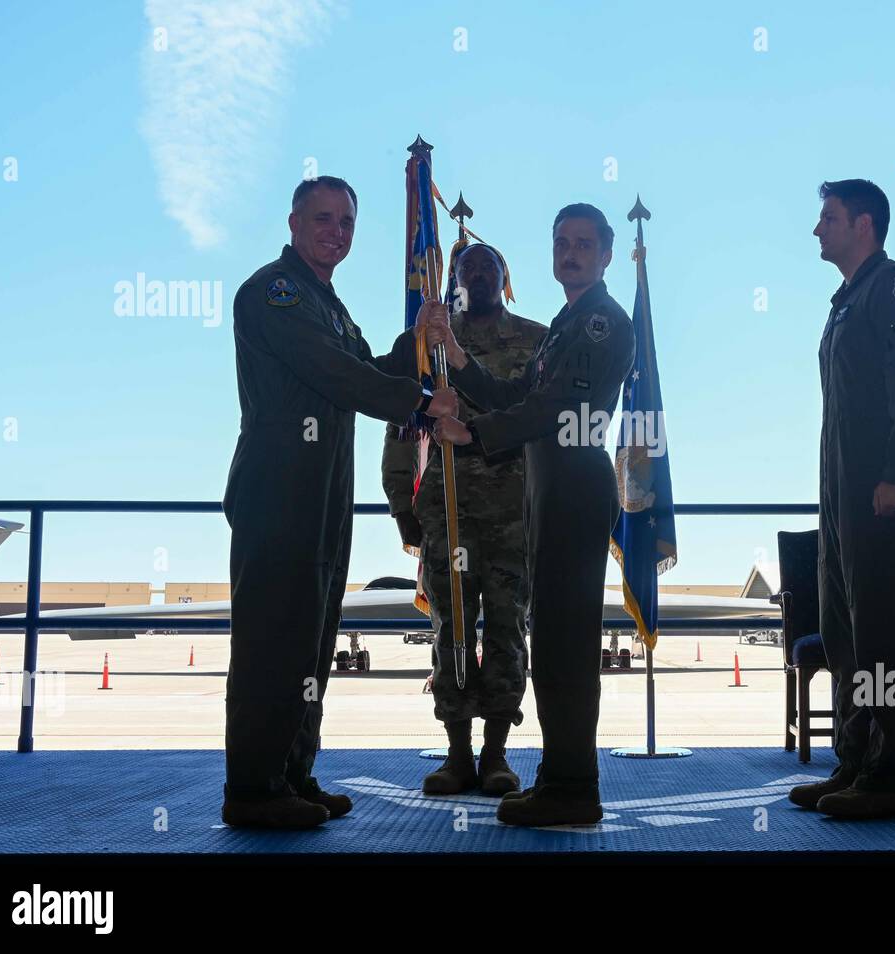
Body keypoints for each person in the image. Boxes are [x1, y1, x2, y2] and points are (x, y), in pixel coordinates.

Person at [222, 175, 457, 828]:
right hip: (278, 492)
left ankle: (292, 775)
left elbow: (369, 369)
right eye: (323, 218)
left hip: (323, 493)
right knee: (274, 642)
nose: (336, 231)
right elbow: (334, 373)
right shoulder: (276, 292)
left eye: (347, 221)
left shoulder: (328, 303)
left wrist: (418, 343)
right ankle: (252, 790)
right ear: (294, 222)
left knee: (311, 640)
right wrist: (420, 403)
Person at [422, 204, 633, 827]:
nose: (571, 253)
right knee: (555, 645)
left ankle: (573, 786)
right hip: (550, 488)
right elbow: (523, 396)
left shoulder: (598, 321)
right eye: (561, 242)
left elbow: (558, 406)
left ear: (606, 255)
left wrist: (475, 435)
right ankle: (560, 777)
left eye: (584, 244)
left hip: (572, 485)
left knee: (566, 648)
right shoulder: (567, 323)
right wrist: (459, 361)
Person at [788, 179, 895, 820]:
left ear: (864, 224)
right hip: (842, 495)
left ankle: (889, 776)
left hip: (884, 494)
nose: (817, 228)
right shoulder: (846, 302)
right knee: (846, 632)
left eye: (828, 217)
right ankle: (854, 761)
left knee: (885, 637)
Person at [380, 243, 546, 796]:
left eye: (489, 265)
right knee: (449, 633)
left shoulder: (534, 339)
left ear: (505, 276)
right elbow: (400, 422)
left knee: (506, 632)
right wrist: (404, 506)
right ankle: (456, 753)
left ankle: (496, 754)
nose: (477, 273)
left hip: (510, 515)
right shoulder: (424, 344)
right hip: (445, 515)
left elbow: (535, 418)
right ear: (453, 277)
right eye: (467, 266)